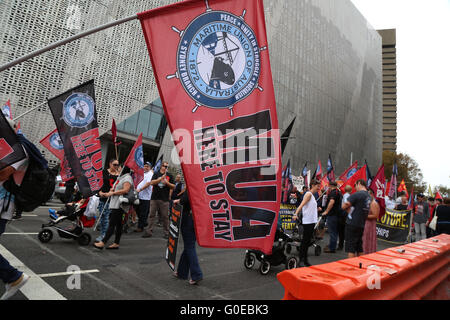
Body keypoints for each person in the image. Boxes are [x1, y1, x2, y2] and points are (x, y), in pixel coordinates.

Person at [0, 117, 30, 299]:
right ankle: (13, 277)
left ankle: (14, 277)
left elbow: (4, 173)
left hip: (2, 207)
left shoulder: (21, 150)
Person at [93, 166, 133, 250]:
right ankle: (116, 243)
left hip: (120, 205)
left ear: (123, 169)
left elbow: (126, 190)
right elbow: (118, 188)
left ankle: (103, 242)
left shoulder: (127, 178)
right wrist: (112, 190)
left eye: (119, 167)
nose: (118, 168)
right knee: (119, 225)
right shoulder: (121, 177)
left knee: (112, 223)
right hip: (115, 203)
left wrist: (113, 193)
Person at [173, 189, 203, 285]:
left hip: (189, 217)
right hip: (198, 217)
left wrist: (178, 201)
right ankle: (182, 272)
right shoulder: (202, 182)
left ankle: (196, 274)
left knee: (189, 246)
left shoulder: (192, 183)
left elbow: (185, 199)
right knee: (189, 245)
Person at [142, 161, 175, 239]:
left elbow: (173, 186)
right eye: (164, 166)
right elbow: (152, 182)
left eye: (166, 166)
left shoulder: (170, 175)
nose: (165, 167)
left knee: (165, 216)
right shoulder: (156, 174)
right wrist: (160, 179)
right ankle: (149, 231)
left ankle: (166, 232)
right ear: (161, 166)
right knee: (151, 215)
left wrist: (167, 182)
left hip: (164, 199)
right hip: (155, 198)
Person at [293, 179, 320, 267]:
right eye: (317, 186)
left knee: (307, 241)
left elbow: (309, 208)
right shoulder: (308, 194)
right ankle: (301, 260)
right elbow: (301, 205)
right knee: (305, 241)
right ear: (312, 185)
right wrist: (296, 214)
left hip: (311, 221)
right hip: (308, 221)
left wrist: (317, 209)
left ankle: (305, 260)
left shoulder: (312, 195)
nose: (318, 188)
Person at [341, 179, 371, 258]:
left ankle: (350, 268)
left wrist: (346, 207)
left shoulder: (357, 195)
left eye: (355, 185)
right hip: (361, 224)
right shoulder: (368, 196)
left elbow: (344, 205)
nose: (355, 187)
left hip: (352, 224)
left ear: (359, 184)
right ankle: (361, 265)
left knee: (351, 248)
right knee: (359, 247)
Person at [95, 159, 120, 242]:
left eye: (117, 165)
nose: (116, 166)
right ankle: (104, 233)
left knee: (109, 217)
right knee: (103, 217)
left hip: (114, 198)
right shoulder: (104, 172)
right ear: (110, 164)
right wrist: (100, 192)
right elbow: (98, 183)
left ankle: (105, 234)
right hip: (104, 197)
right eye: (114, 164)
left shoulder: (119, 175)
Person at [321, 181, 342, 253]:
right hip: (336, 214)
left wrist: (326, 211)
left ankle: (332, 248)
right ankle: (331, 246)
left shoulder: (333, 192)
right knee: (334, 232)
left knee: (332, 232)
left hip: (332, 215)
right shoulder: (338, 192)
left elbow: (331, 202)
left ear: (330, 186)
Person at [135, 162, 153, 232]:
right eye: (145, 166)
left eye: (147, 166)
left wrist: (140, 189)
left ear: (150, 167)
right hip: (139, 196)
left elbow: (148, 183)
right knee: (137, 210)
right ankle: (144, 222)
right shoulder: (142, 173)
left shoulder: (150, 174)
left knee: (143, 212)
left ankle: (140, 227)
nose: (145, 167)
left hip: (146, 197)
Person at [363, 189, 380, 255]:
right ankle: (366, 252)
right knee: (366, 239)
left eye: (368, 194)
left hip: (370, 224)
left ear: (372, 195)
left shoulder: (373, 203)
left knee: (368, 239)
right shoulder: (370, 202)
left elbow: (375, 215)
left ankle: (367, 253)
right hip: (367, 223)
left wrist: (364, 216)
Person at [338, 185, 353, 250]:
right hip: (345, 213)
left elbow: (346, 204)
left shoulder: (346, 195)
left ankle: (341, 244)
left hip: (344, 213)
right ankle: (342, 243)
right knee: (343, 230)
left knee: (342, 230)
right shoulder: (348, 195)